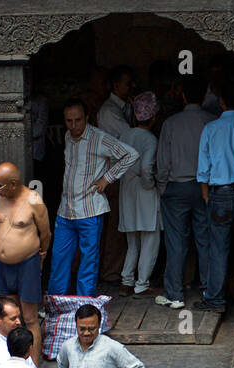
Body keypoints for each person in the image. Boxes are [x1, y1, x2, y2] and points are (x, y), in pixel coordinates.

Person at [48, 97, 138, 298]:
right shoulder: (67, 137)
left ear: (87, 118)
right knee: (59, 259)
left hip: (90, 210)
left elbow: (130, 154)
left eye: (78, 120)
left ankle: (85, 306)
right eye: (69, 121)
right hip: (66, 210)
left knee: (89, 261)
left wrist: (107, 179)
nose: (73, 125)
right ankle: (56, 303)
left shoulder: (100, 138)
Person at [156, 72, 215, 310]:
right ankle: (210, 291)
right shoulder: (212, 121)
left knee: (176, 242)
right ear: (204, 95)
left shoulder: (170, 123)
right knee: (205, 240)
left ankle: (175, 294)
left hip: (176, 188)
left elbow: (163, 162)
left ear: (181, 94)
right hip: (205, 188)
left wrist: (163, 188)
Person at [0, 161, 51, 361]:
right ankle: (9, 362)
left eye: (0, 185)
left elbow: (46, 233)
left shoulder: (33, 199)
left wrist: (41, 257)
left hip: (27, 263)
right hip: (2, 265)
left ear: (14, 184)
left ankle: (33, 366)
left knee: (30, 317)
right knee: (7, 317)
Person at [196, 75, 234, 315]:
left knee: (218, 248)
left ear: (222, 102)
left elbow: (203, 169)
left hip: (220, 193)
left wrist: (207, 196)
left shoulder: (210, 129)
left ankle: (215, 298)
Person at [117, 92, 162, 297]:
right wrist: (150, 184)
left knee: (132, 242)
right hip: (144, 192)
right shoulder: (150, 139)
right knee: (150, 239)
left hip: (127, 190)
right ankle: (142, 283)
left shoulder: (125, 135)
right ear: (153, 118)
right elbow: (146, 168)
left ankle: (127, 280)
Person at [97, 65, 137, 286]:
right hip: (113, 176)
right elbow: (129, 138)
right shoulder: (109, 111)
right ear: (114, 85)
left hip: (121, 175)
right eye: (127, 82)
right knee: (116, 227)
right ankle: (112, 271)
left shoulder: (122, 107)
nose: (132, 86)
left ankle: (116, 269)